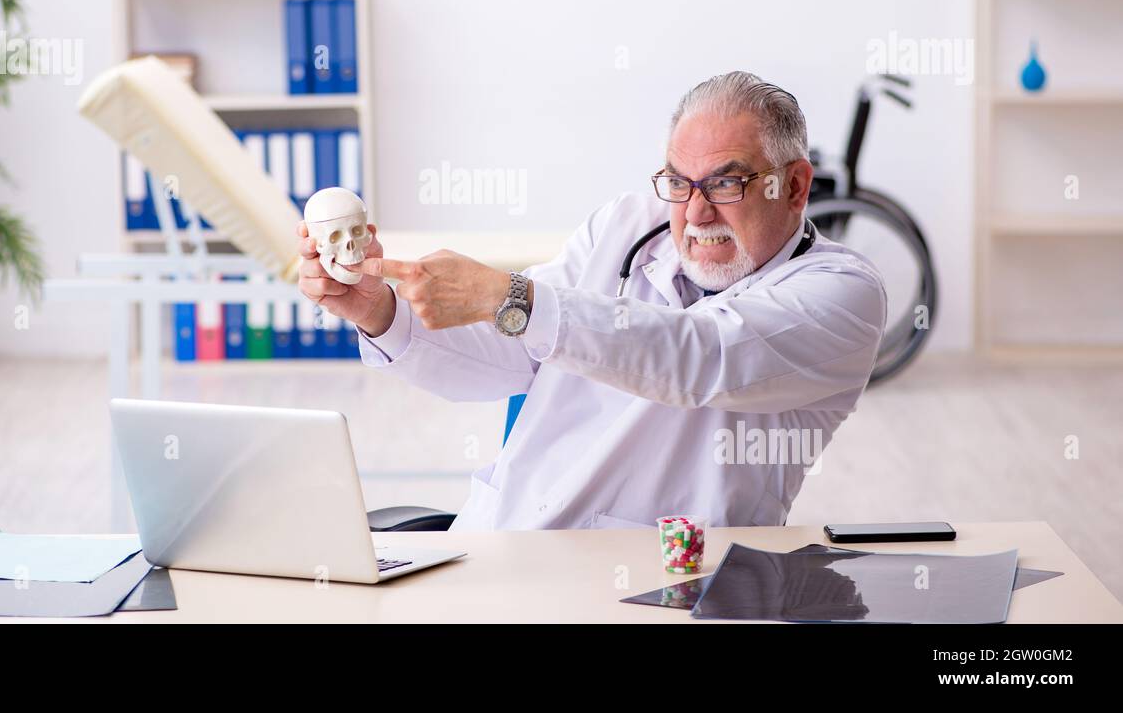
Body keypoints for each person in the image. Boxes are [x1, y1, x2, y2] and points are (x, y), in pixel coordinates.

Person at [296, 71, 887, 530]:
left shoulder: (843, 294)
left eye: (726, 184)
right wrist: (381, 311)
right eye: (679, 183)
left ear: (797, 187)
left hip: (661, 585)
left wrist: (514, 298)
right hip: (498, 547)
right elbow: (510, 354)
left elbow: (699, 357)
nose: (696, 213)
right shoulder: (626, 226)